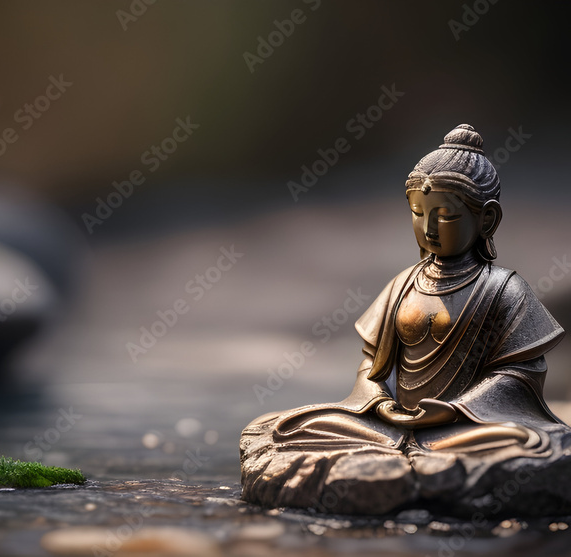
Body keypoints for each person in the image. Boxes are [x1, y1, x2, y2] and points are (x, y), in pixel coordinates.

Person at [240, 124, 571, 515]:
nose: (428, 228)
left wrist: (453, 410)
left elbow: (519, 374)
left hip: (463, 426)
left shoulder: (503, 289)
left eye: (445, 216)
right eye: (418, 213)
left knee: (529, 441)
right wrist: (379, 402)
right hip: (391, 423)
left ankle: (422, 460)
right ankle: (402, 448)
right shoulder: (403, 284)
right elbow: (372, 363)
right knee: (288, 427)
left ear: (486, 220)